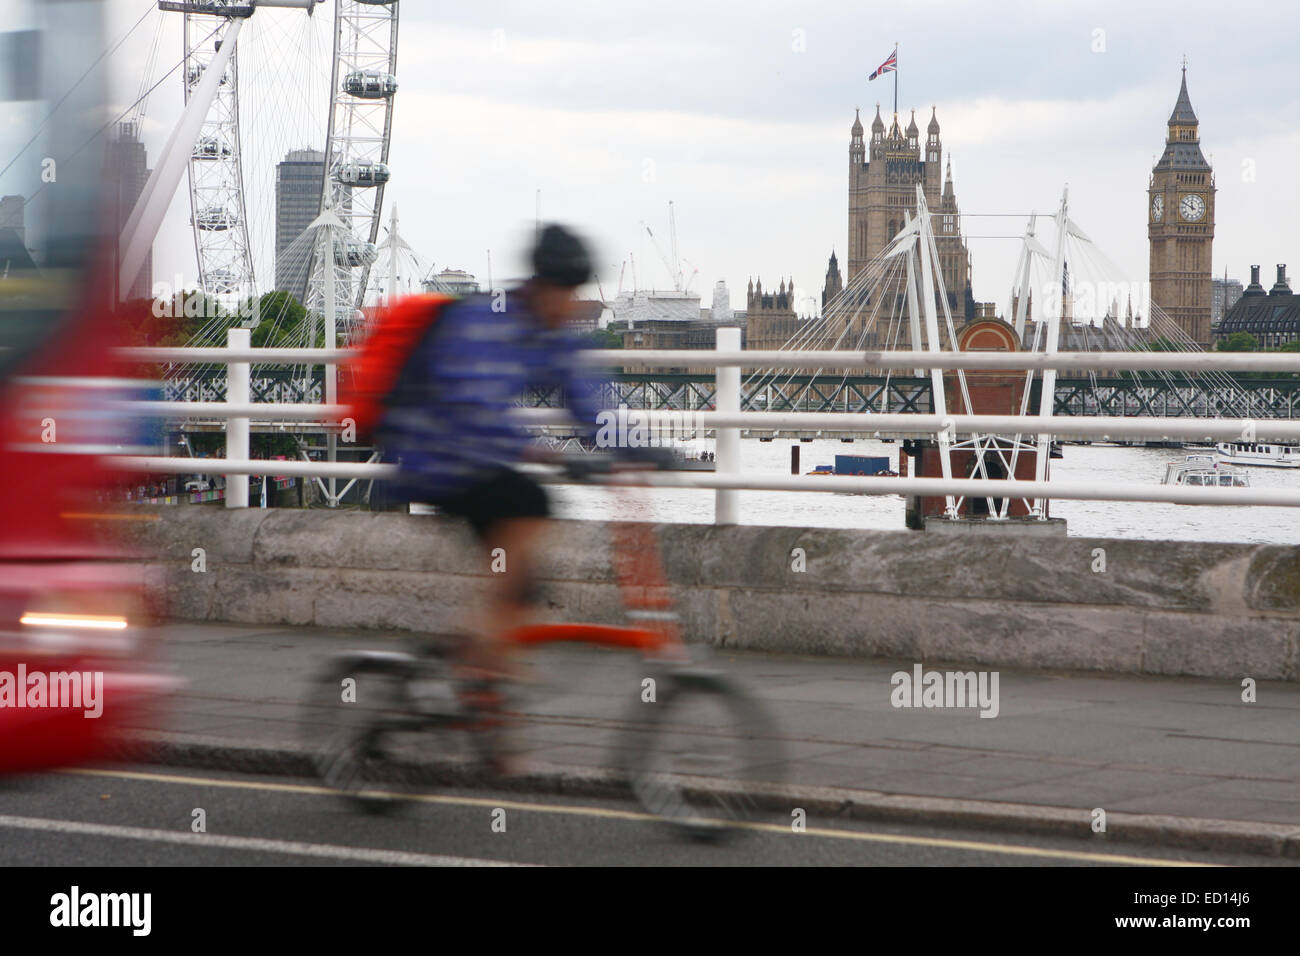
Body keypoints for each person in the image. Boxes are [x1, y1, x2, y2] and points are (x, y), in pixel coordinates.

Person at [377, 224, 605, 694]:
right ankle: (481, 656)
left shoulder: (550, 332)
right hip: (433, 456)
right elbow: (471, 407)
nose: (572, 304)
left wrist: (645, 451)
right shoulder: (483, 320)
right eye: (567, 292)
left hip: (478, 463)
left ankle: (480, 662)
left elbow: (588, 399)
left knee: (524, 577)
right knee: (529, 502)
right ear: (543, 286)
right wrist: (542, 451)